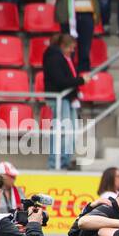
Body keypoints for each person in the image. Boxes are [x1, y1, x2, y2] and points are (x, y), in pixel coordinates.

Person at [42, 33, 84, 170]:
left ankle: (64, 161)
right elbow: (60, 81)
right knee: (62, 131)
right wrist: (81, 81)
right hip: (59, 99)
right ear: (62, 46)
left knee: (70, 131)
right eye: (71, 48)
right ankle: (55, 163)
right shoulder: (54, 58)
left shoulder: (62, 58)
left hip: (67, 98)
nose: (72, 51)